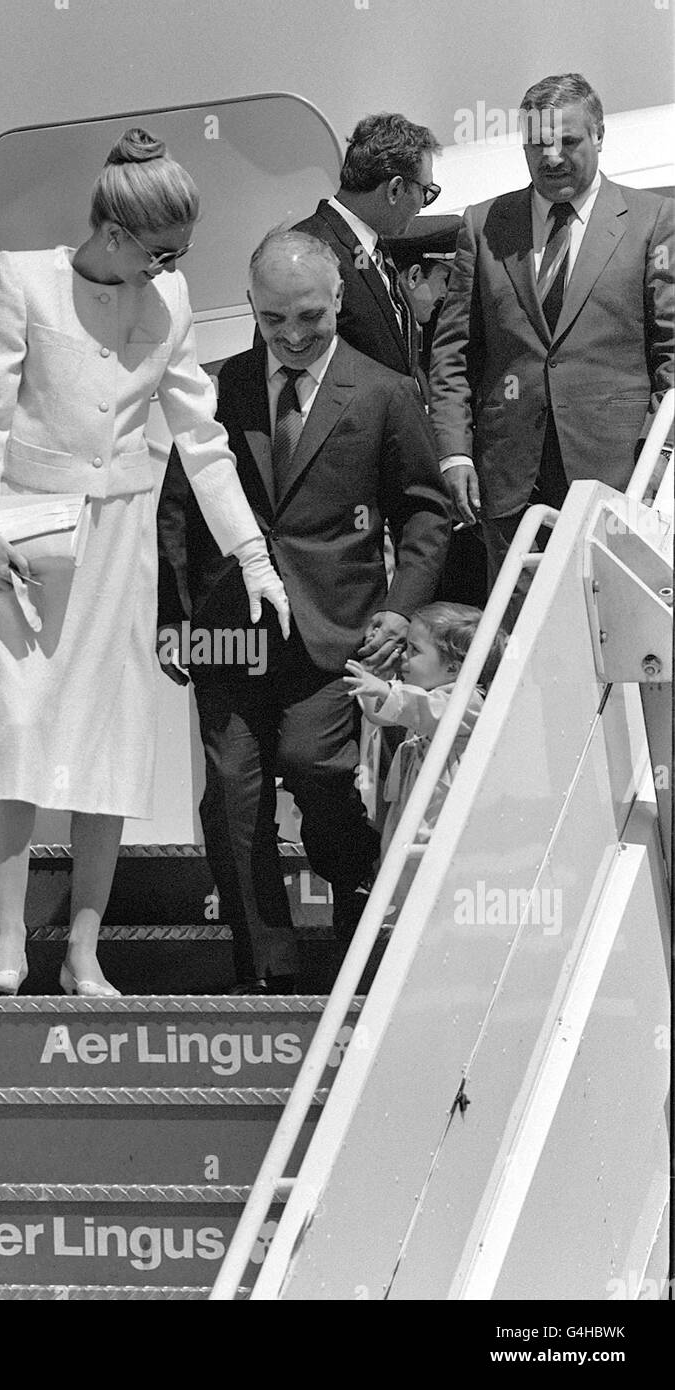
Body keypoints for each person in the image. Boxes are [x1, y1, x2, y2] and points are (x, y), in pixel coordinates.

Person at [0, 127, 289, 997]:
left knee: (107, 743)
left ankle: (82, 952)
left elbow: (202, 445)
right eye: (161, 251)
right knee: (18, 731)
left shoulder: (165, 302)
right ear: (113, 233)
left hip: (125, 540)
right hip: (25, 536)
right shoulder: (22, 280)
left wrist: (252, 556)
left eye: (180, 253)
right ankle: (10, 943)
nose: (170, 269)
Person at [156, 228, 451, 992]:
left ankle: (353, 878)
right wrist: (171, 619)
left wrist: (398, 609)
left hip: (336, 630)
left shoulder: (383, 391)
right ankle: (265, 963)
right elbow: (177, 512)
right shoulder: (216, 390)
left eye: (310, 318)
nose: (291, 335)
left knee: (314, 766)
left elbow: (422, 514)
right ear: (252, 307)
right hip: (228, 631)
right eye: (274, 319)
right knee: (231, 797)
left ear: (337, 303)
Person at [430, 73, 674, 620]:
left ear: (600, 134)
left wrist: (662, 457)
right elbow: (452, 354)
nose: (553, 157)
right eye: (537, 144)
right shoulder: (484, 224)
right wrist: (455, 450)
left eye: (568, 141)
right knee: (521, 644)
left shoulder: (652, 221)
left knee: (620, 637)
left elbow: (671, 353)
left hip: (622, 479)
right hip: (512, 483)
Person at [344, 601, 507, 914]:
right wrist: (369, 687)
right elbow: (389, 715)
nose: (403, 658)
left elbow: (425, 709)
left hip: (441, 815)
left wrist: (385, 691)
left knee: (435, 882)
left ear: (454, 667)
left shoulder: (471, 701)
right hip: (411, 812)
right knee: (401, 871)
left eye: (414, 651)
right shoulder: (422, 697)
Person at [293, 112, 443, 396]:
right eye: (426, 192)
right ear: (396, 189)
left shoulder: (373, 249)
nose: (423, 206)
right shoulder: (308, 252)